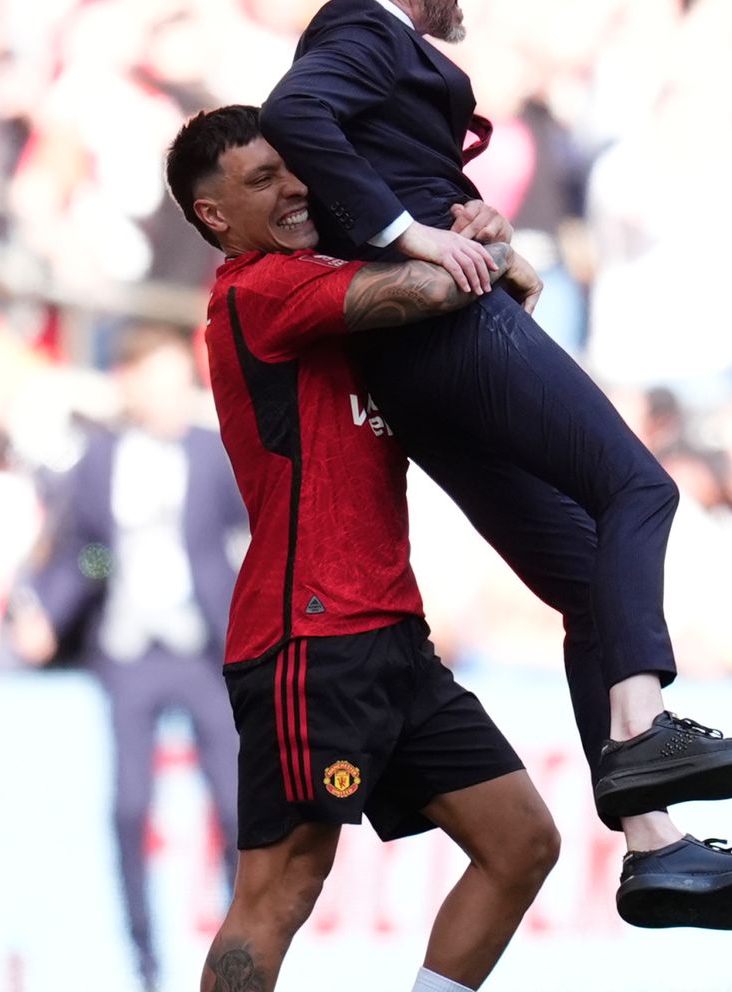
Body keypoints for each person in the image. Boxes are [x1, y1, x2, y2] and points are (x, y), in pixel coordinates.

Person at [257, 0, 732, 928]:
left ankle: (655, 847)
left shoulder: (379, 51)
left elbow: (379, 154)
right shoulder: (357, 26)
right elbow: (298, 115)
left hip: (412, 363)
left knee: (586, 572)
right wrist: (409, 236)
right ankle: (642, 737)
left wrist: (468, 220)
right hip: (450, 331)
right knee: (637, 490)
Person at [167, 105, 557, 992]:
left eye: (294, 166)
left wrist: (479, 237)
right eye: (263, 179)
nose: (296, 186)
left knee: (521, 842)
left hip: (391, 633)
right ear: (216, 216)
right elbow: (429, 290)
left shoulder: (327, 279)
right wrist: (478, 250)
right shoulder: (254, 290)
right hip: (308, 635)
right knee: (281, 888)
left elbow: (472, 301)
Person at [12, 323, 248, 992]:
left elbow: (250, 532)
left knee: (235, 808)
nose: (172, 399)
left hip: (204, 649)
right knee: (129, 806)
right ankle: (144, 961)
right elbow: (88, 552)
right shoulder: (101, 459)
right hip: (129, 653)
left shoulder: (213, 454)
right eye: (159, 385)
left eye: (182, 385)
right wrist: (52, 615)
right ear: (131, 388)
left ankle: (244, 955)